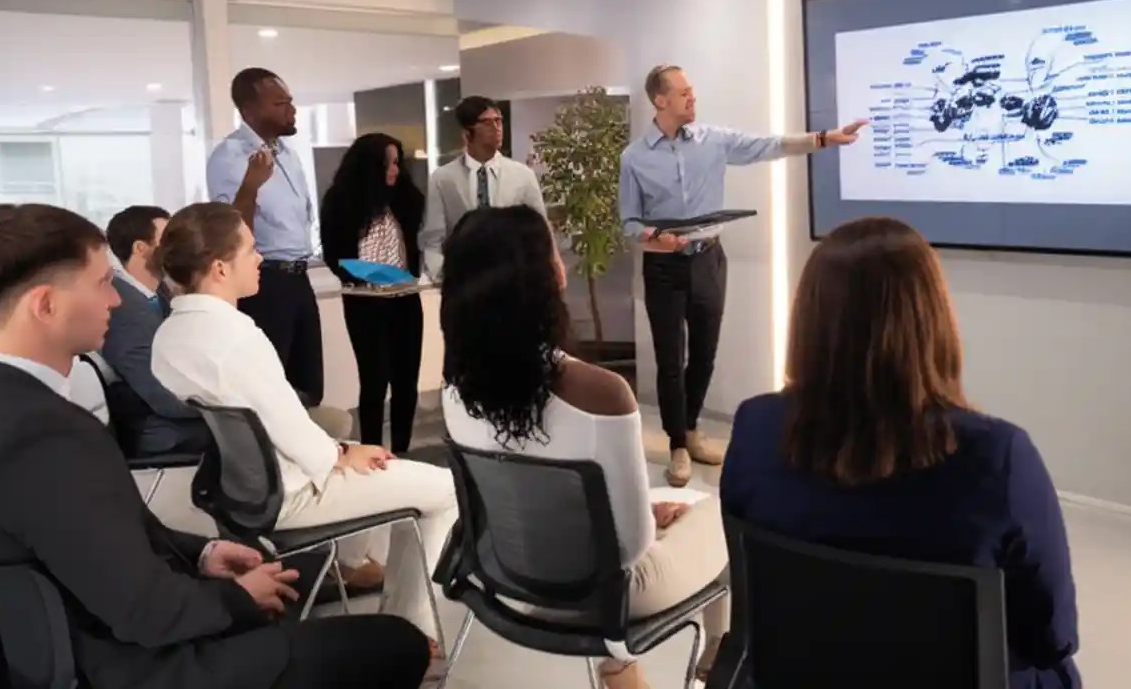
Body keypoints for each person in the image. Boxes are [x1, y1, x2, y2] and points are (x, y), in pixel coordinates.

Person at [0, 203, 430, 689]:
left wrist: (202, 553)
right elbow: (145, 613)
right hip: (139, 667)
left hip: (79, 648)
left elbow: (101, 539)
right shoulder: (46, 437)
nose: (117, 302)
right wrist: (241, 599)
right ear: (46, 305)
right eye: (103, 283)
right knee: (396, 644)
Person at [720, 217, 1080, 689]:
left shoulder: (756, 427)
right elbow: (1052, 637)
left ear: (808, 317)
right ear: (932, 320)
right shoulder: (996, 457)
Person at [440, 206, 729, 689]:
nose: (566, 263)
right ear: (545, 276)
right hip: (607, 595)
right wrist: (647, 519)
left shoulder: (454, 394)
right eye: (556, 250)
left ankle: (624, 673)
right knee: (719, 512)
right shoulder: (602, 391)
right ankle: (717, 667)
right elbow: (632, 546)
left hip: (510, 581)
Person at [151, 203, 458, 657]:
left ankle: (361, 573)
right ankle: (411, 630)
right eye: (251, 250)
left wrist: (344, 449)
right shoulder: (237, 337)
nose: (260, 259)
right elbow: (292, 433)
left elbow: (270, 423)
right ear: (219, 267)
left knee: (369, 457)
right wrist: (344, 452)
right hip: (290, 491)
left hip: (240, 490)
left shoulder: (170, 336)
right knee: (445, 487)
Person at [619, 63, 868, 487]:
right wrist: (653, 236)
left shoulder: (713, 141)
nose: (692, 98)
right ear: (660, 100)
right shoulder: (635, 157)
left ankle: (693, 430)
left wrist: (825, 139)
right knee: (669, 360)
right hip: (663, 267)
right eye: (684, 92)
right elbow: (628, 221)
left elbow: (768, 146)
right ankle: (677, 444)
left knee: (705, 353)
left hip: (709, 261)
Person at [207, 67, 323, 407]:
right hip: (265, 282)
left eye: (290, 101)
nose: (292, 109)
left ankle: (309, 455)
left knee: (309, 384)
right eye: (280, 103)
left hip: (299, 278)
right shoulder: (229, 157)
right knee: (272, 388)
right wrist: (251, 185)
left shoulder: (289, 153)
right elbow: (230, 230)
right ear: (249, 111)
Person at [319, 133, 424, 453]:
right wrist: (385, 276)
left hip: (405, 300)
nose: (396, 169)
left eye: (397, 162)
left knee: (407, 383)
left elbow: (417, 239)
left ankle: (403, 450)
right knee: (375, 381)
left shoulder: (403, 199)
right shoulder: (341, 201)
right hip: (365, 303)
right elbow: (336, 257)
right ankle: (372, 450)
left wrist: (400, 279)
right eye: (390, 163)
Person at [101, 205, 215, 457]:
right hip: (163, 431)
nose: (178, 248)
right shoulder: (123, 308)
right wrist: (233, 405)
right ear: (140, 248)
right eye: (168, 239)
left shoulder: (160, 294)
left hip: (183, 417)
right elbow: (161, 396)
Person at [419, 95, 546, 279]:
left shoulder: (522, 175)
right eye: (487, 123)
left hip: (514, 278)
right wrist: (444, 275)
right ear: (467, 133)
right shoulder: (443, 179)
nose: (497, 129)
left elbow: (539, 231)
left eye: (498, 121)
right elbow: (433, 238)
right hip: (464, 281)